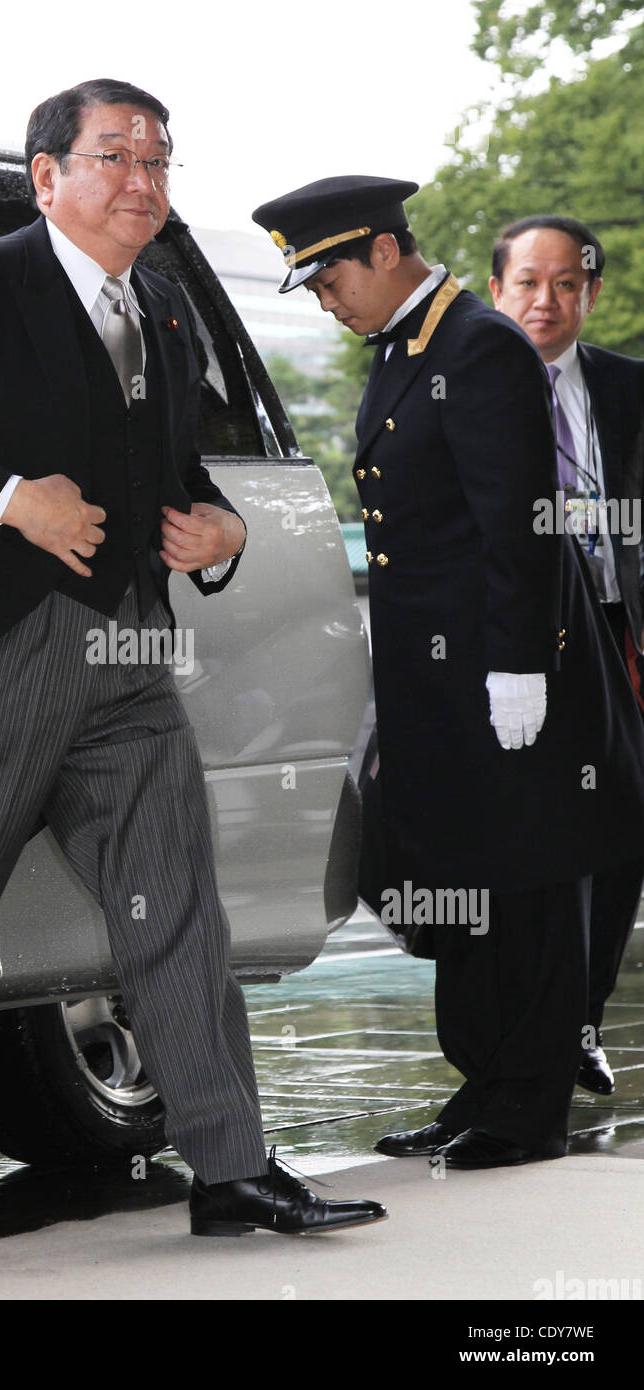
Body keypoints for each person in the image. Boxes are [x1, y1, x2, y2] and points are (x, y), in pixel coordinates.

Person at [0, 81, 387, 1248]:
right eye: (115, 158)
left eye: (159, 162)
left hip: (132, 655)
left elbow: (176, 474)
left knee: (177, 906)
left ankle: (232, 1170)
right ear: (45, 176)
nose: (143, 181)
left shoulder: (169, 313)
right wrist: (8, 502)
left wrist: (221, 530)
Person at [252, 176, 644, 1169]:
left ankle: (529, 1105)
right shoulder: (405, 349)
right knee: (463, 880)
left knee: (530, 886)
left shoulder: (478, 347)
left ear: (385, 250)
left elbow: (519, 523)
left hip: (505, 670)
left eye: (331, 275)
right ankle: (484, 1085)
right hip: (437, 676)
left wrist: (518, 668)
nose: (327, 299)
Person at [490, 214, 644, 1098]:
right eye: (527, 283)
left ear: (591, 293)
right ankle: (520, 1034)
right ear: (499, 289)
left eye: (566, 285)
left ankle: (582, 1023)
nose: (545, 301)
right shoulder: (468, 383)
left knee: (622, 832)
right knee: (542, 838)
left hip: (617, 636)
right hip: (522, 643)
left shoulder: (628, 389)